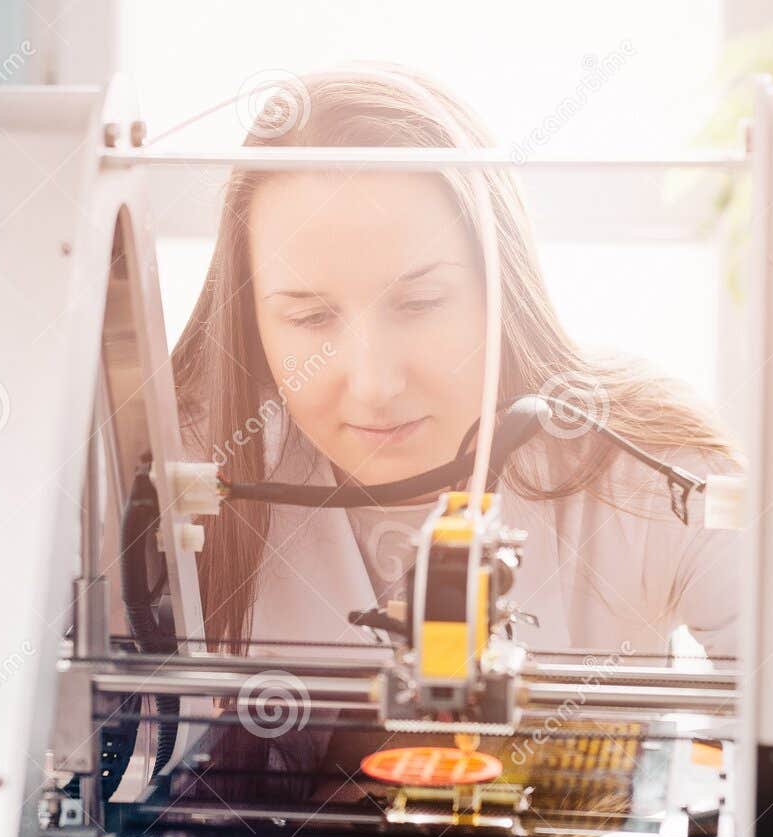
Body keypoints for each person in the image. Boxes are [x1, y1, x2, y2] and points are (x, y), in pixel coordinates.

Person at [171, 64, 741, 663]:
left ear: (503, 288)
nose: (374, 386)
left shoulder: (645, 464)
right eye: (310, 318)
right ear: (249, 320)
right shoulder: (182, 467)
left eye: (420, 303)